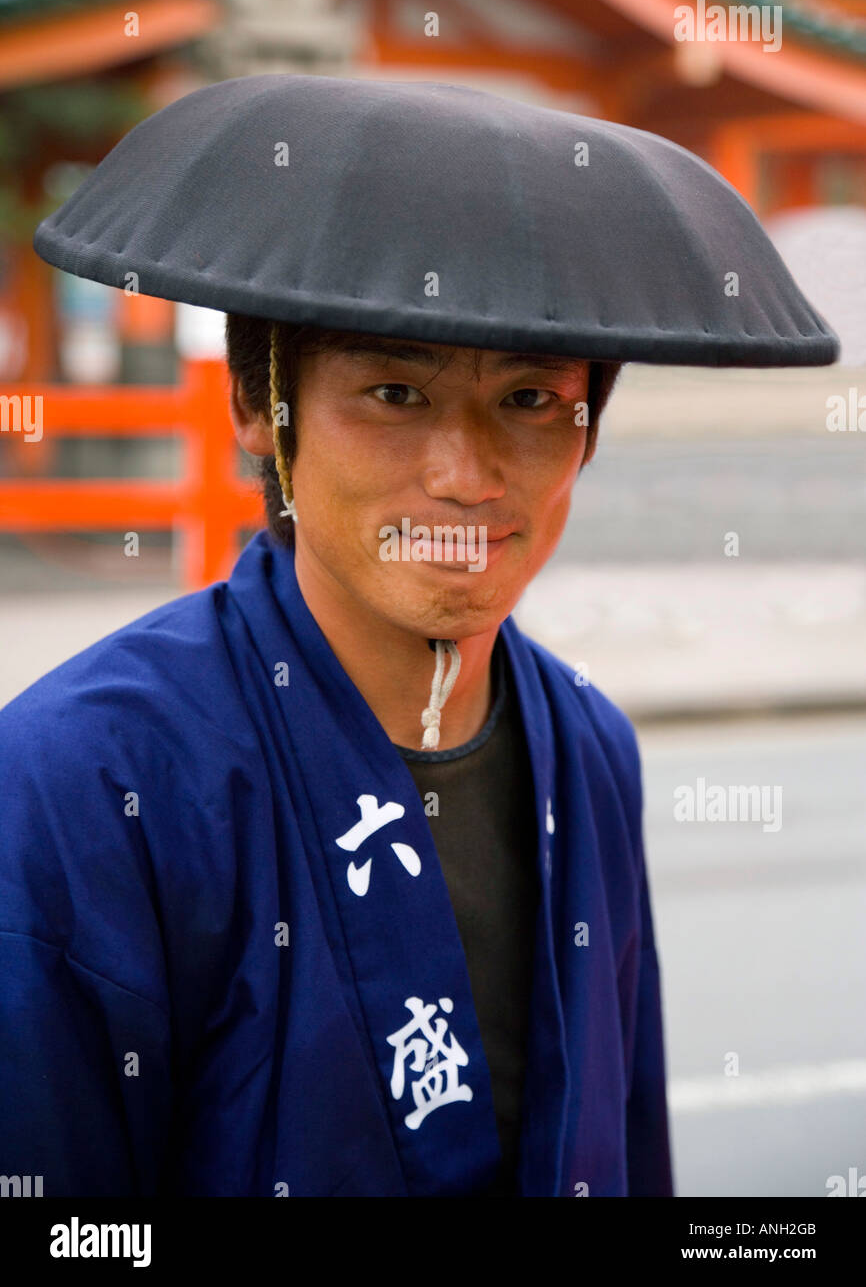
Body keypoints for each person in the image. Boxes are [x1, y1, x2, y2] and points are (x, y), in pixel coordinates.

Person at [0, 74, 838, 1197]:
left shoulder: (588, 745)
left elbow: (627, 1148)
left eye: (531, 402)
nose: (465, 474)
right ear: (263, 409)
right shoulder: (81, 778)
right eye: (394, 392)